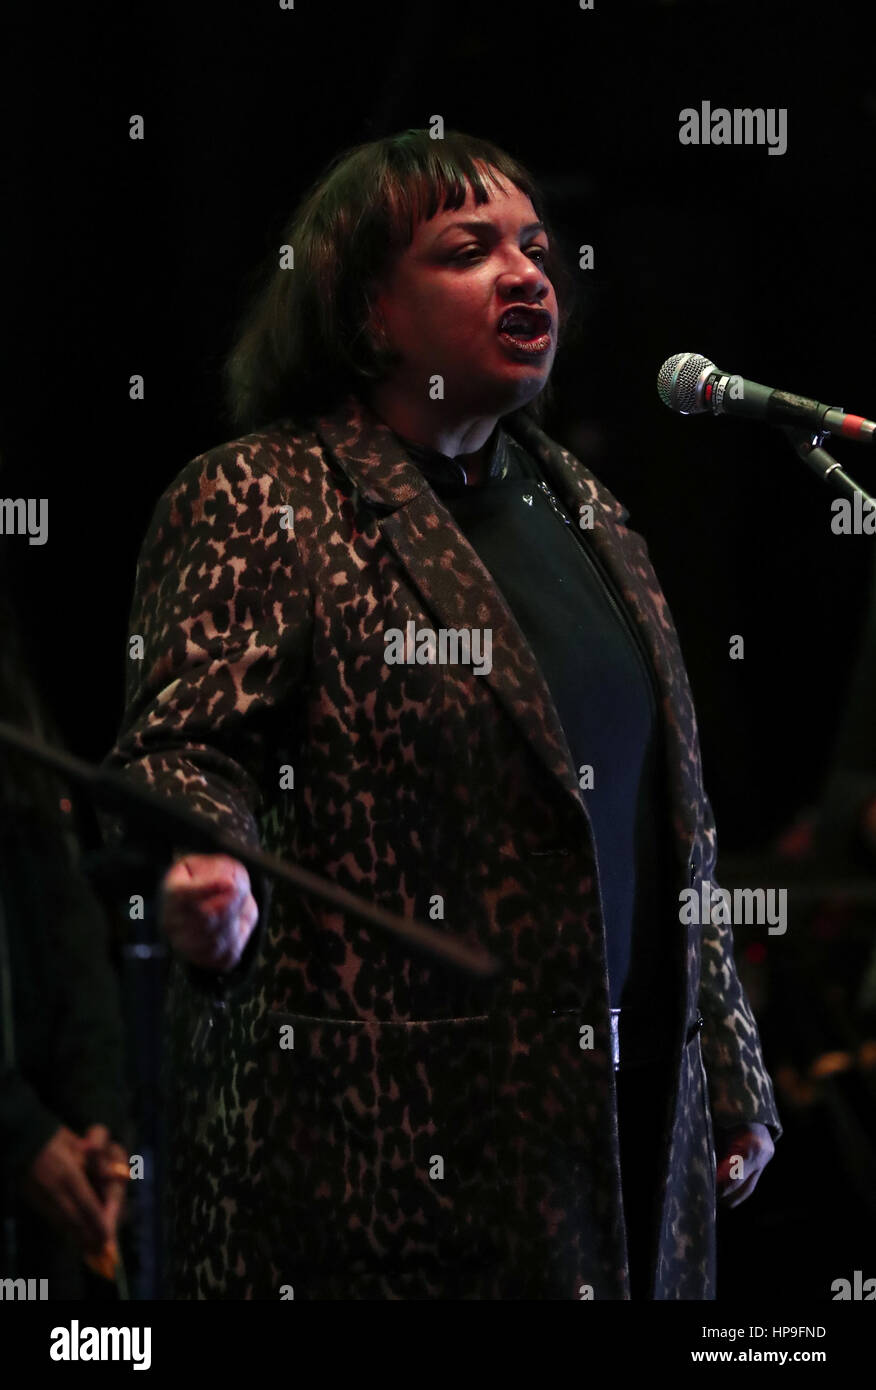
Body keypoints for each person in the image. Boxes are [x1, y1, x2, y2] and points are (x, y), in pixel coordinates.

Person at [102, 128, 780, 1300]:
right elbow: (184, 749)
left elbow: (678, 819)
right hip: (381, 1168)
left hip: (618, 1145)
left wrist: (726, 1059)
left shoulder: (591, 514)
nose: (527, 273)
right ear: (368, 313)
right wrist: (206, 861)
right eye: (470, 252)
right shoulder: (264, 495)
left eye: (533, 247)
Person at [0, 587, 130, 1298]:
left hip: (48, 1211)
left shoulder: (18, 708)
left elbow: (67, 926)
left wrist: (97, 1124)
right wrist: (18, 1133)